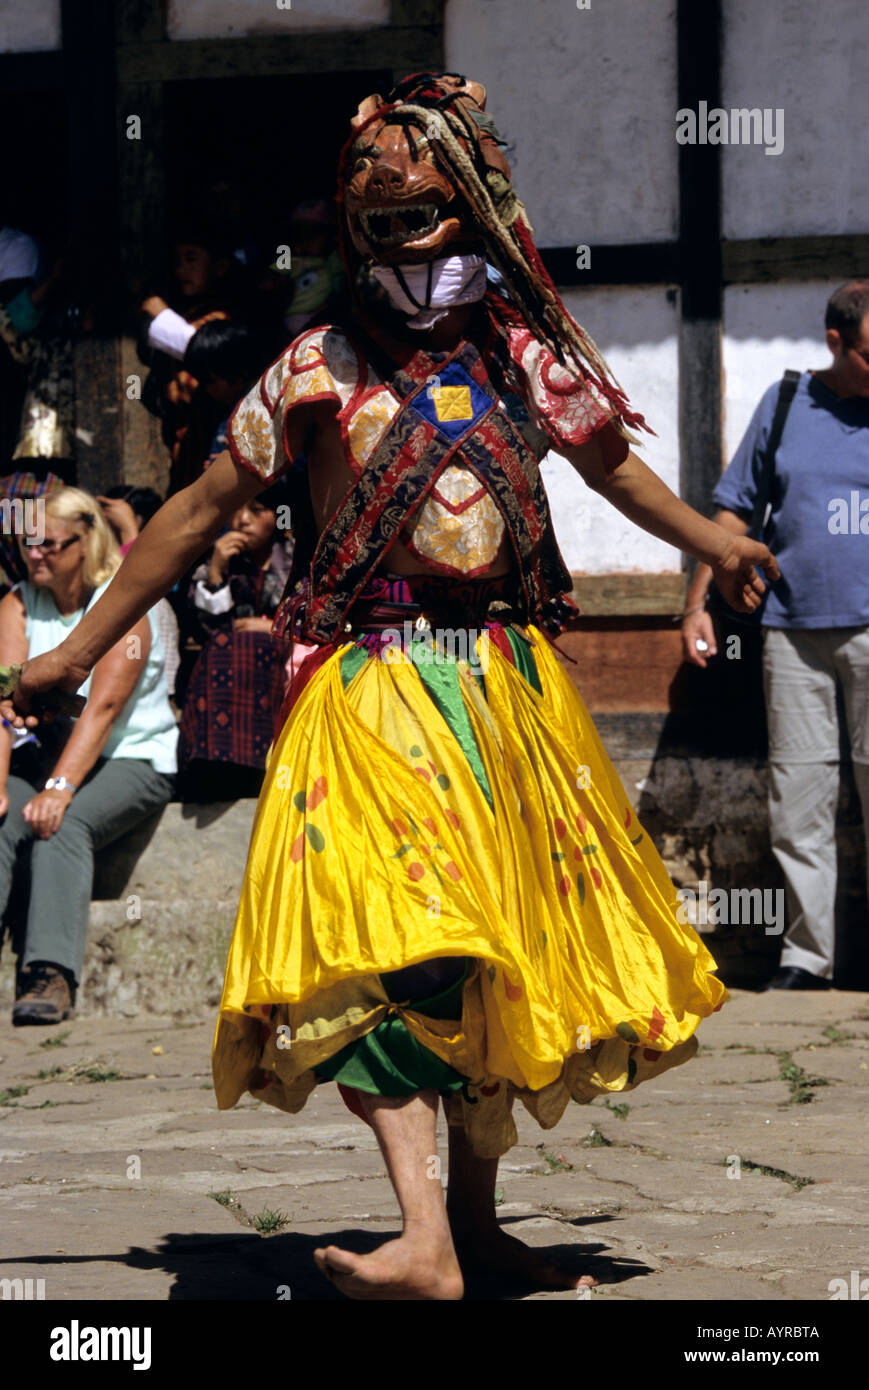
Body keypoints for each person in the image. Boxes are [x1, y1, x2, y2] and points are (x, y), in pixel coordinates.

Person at [4, 75, 776, 1298]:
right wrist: (64, 649)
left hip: (509, 693)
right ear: (351, 237)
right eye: (384, 225)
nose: (410, 247)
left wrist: (712, 541)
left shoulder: (526, 354)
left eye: (429, 219)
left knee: (492, 958)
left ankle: (466, 1231)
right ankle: (421, 1232)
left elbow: (615, 470)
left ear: (476, 215)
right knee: (384, 942)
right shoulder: (311, 368)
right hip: (369, 687)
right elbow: (192, 515)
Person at [682, 281, 869, 992]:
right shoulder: (786, 402)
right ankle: (807, 960)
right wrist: (696, 604)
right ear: (834, 342)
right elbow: (731, 517)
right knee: (798, 800)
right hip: (790, 634)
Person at [0, 487, 177, 1025]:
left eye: (51, 544)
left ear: (86, 542)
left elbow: (104, 707)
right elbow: (4, 697)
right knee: (4, 818)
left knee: (64, 824)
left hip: (134, 755)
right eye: (29, 543)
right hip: (50, 755)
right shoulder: (16, 603)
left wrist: (60, 789)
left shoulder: (122, 605)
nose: (36, 554)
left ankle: (50, 973)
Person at [176, 481, 293, 799]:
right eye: (236, 510)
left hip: (281, 660)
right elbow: (209, 632)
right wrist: (215, 571)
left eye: (255, 511)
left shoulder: (295, 560)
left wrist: (271, 627)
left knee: (249, 646)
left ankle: (253, 762)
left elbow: (312, 615)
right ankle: (216, 755)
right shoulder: (218, 562)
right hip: (230, 668)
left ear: (278, 517)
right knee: (228, 647)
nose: (242, 520)